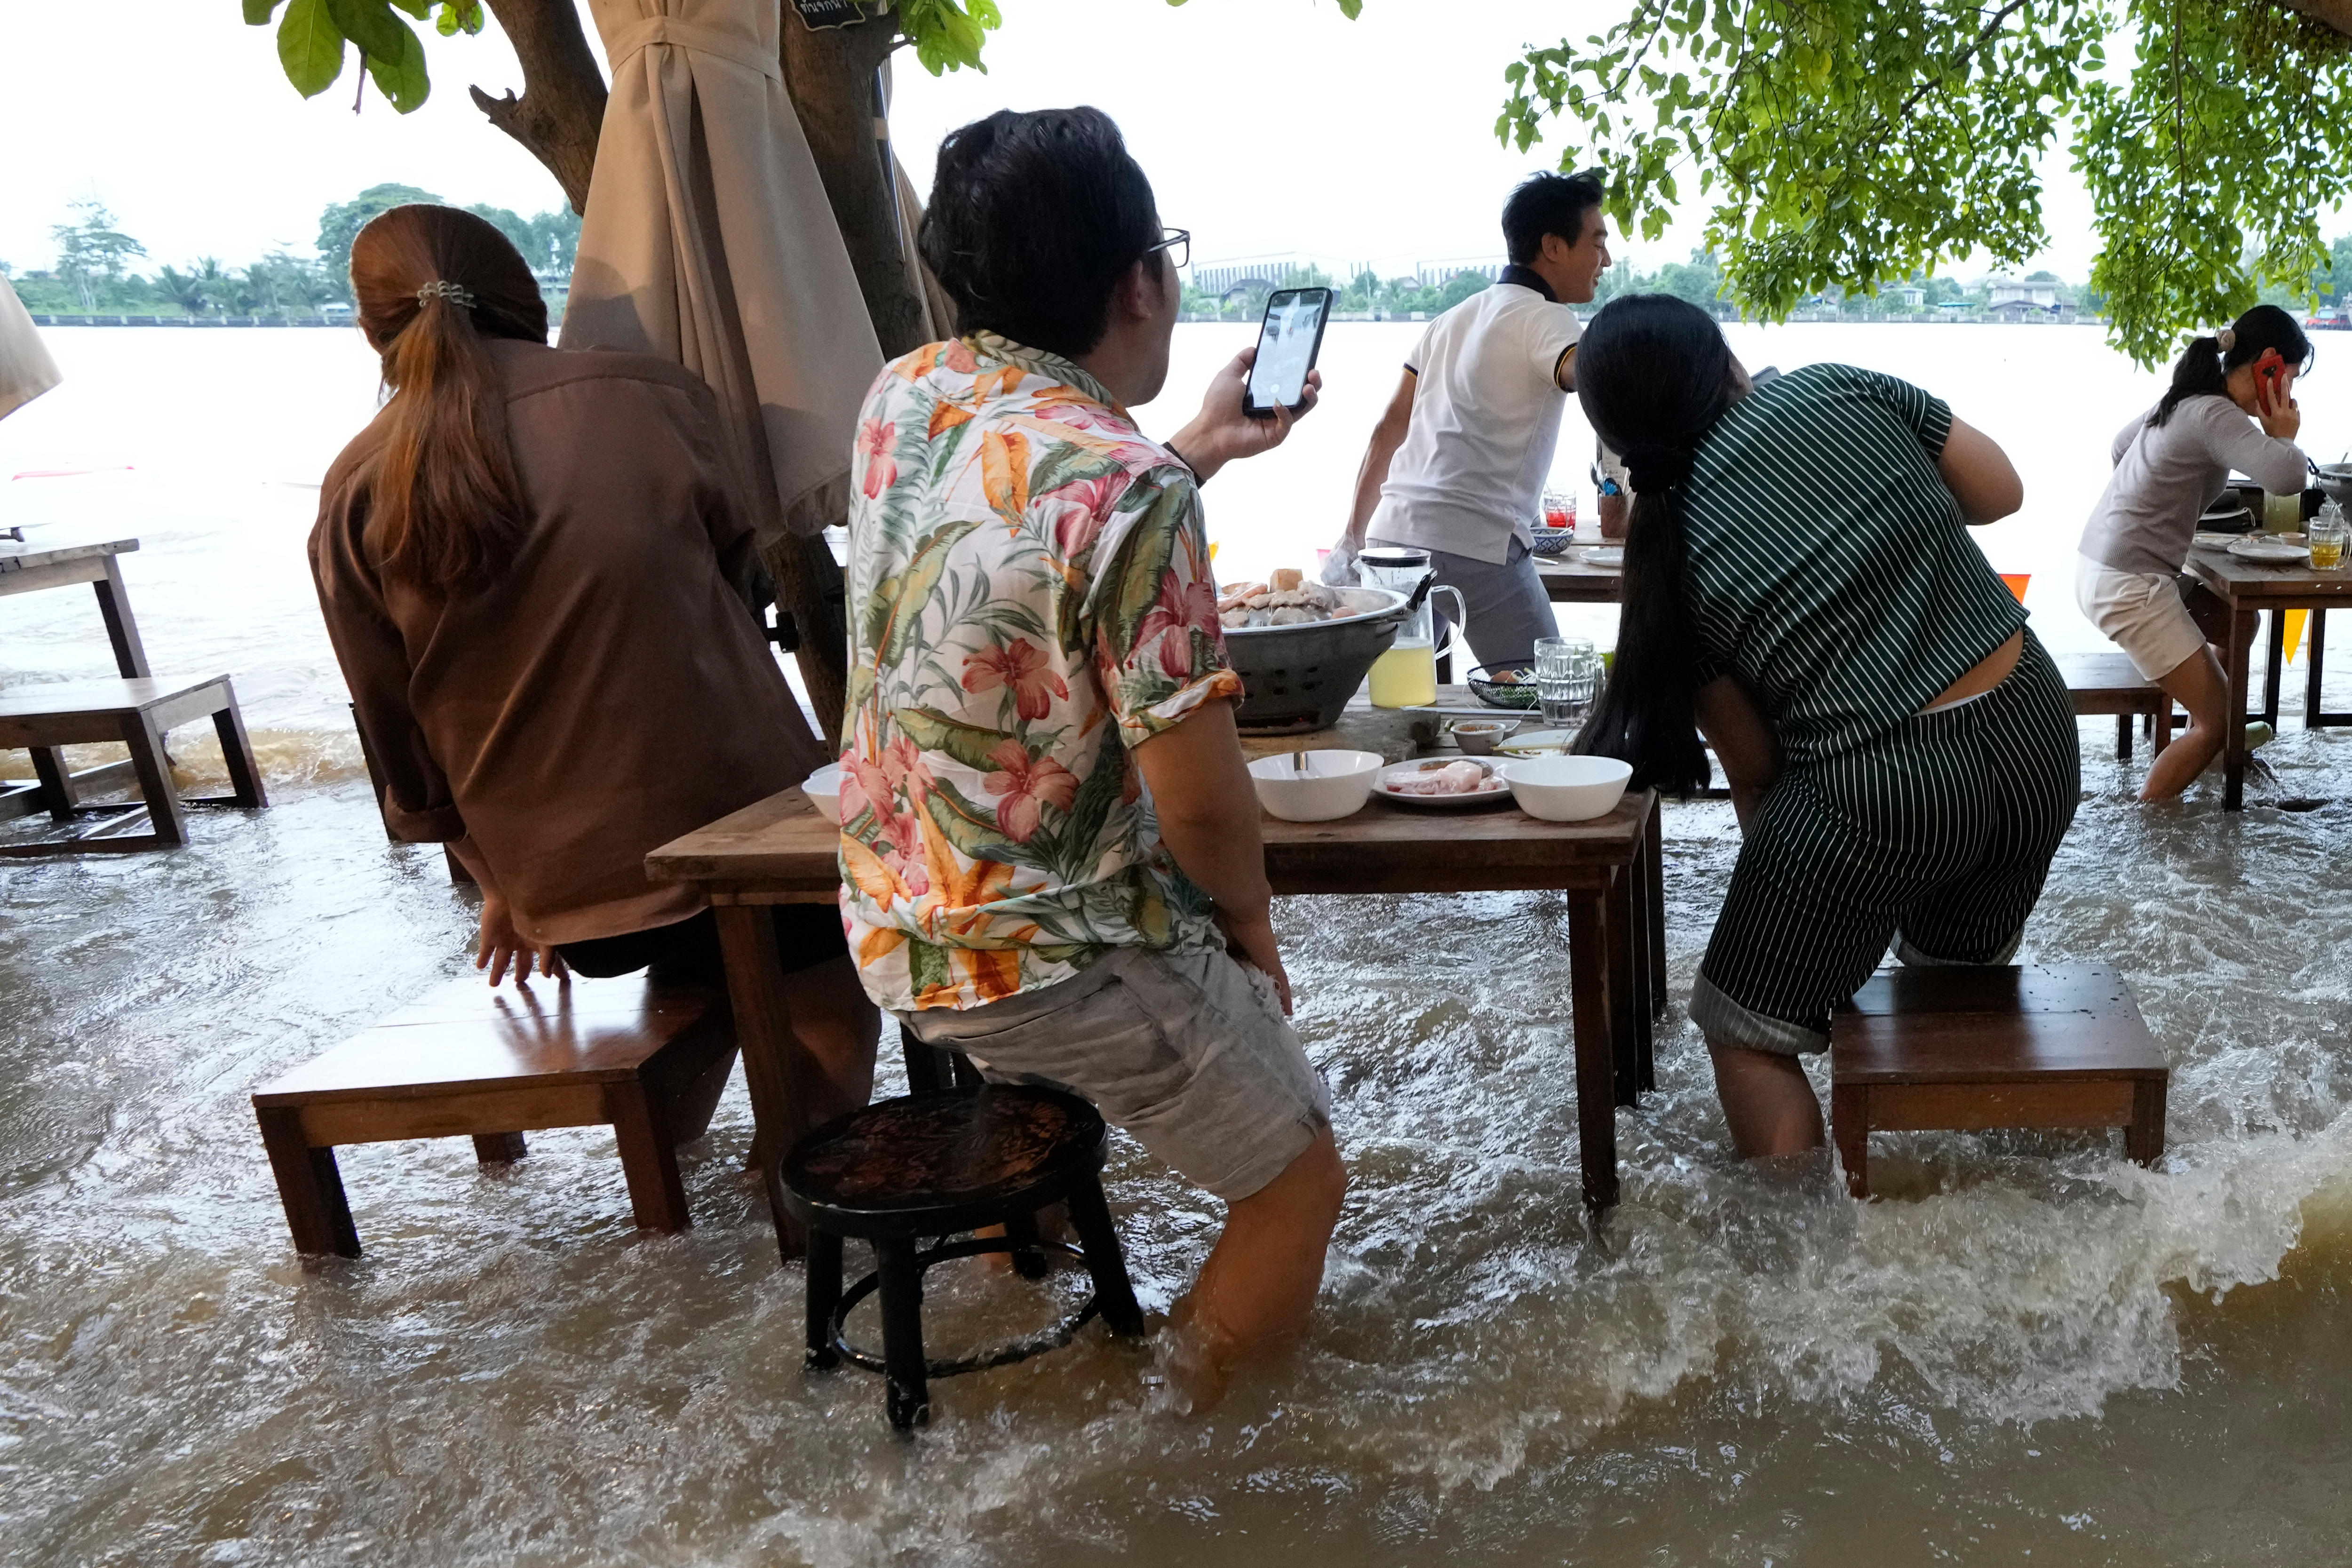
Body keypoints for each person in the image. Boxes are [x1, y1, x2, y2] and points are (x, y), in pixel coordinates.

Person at [841, 108, 1347, 1407]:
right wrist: (1249, 926)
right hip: (1045, 954)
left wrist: (1202, 446)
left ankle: (1044, 1275)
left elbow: (1029, 529)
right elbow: (1201, 799)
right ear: (1142, 279)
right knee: (1299, 1180)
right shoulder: (1129, 489)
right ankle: (1182, 1453)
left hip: (898, 929)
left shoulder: (906, 395)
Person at [310, 204, 879, 1128]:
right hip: (742, 834)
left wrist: (498, 886)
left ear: (369, 329)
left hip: (565, 897)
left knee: (687, 955)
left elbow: (395, 736)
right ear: (524, 298)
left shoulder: (353, 488)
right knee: (829, 1035)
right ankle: (788, 1227)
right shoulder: (649, 396)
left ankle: (679, 1241)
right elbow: (732, 573)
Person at [1572, 295, 2080, 1157]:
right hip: (2037, 734)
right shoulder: (1837, 388)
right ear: (1723, 360)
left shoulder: (1667, 554)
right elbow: (2001, 491)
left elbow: (1759, 766)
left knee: (1747, 1027)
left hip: (1880, 788)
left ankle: (1803, 1274)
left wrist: (1801, 907)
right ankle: (1967, 1196)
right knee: (1951, 994)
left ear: (1614, 437)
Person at [1326, 170, 1614, 665]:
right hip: (1476, 543)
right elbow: (1587, 373)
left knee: (1403, 708)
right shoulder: (1547, 318)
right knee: (1546, 697)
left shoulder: (1448, 319)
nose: (1605, 260)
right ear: (1552, 246)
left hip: (1390, 539)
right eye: (1597, 242)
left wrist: (1352, 541)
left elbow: (1387, 430)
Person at [2075, 304, 2313, 801]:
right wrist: (2282, 434)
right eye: (2287, 379)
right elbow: (2287, 477)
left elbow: (2121, 448)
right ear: (2267, 364)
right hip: (2129, 584)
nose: (2288, 393)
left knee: (2237, 624)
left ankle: (2207, 753)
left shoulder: (2186, 398)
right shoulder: (2214, 412)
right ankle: (2152, 824)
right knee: (2218, 718)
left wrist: (2158, 499)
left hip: (2101, 564)